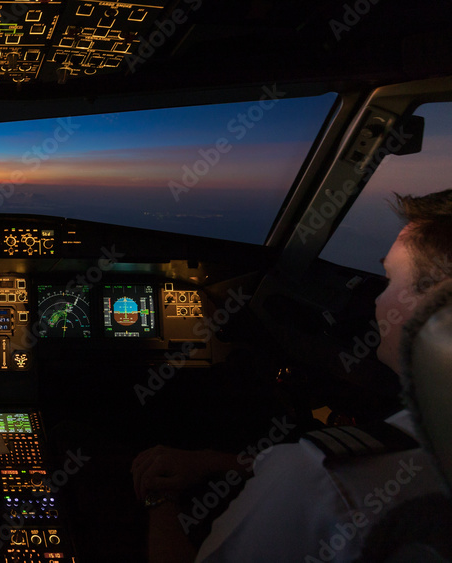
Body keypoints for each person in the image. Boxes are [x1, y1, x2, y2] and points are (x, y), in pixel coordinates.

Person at [131, 189, 452, 562]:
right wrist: (213, 461)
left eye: (389, 279)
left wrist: (160, 499)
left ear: (439, 307)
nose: (377, 300)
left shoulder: (324, 479)